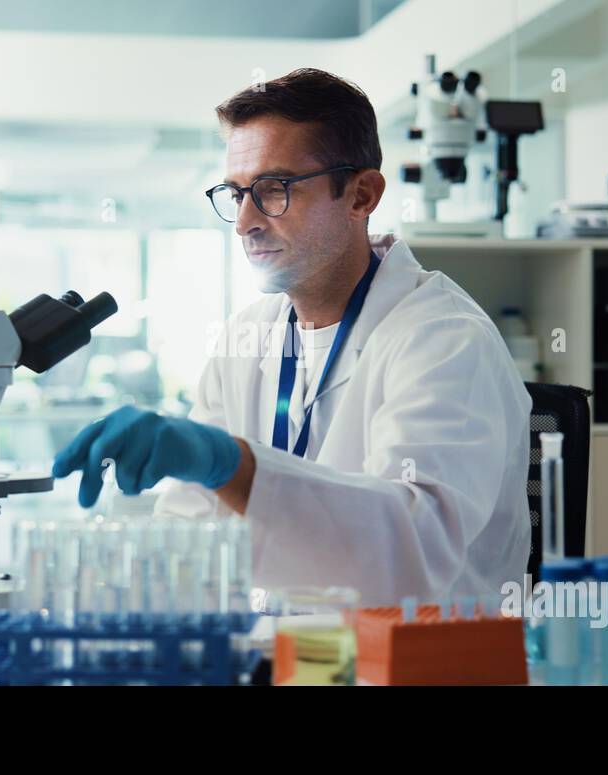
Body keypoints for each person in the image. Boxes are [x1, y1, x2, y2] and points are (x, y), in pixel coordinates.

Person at [57, 68, 532, 606]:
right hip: (288, 655)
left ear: (361, 195)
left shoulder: (443, 339)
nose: (244, 222)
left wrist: (233, 466)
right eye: (236, 194)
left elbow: (412, 552)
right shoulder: (246, 338)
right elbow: (190, 527)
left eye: (273, 190)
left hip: (423, 663)